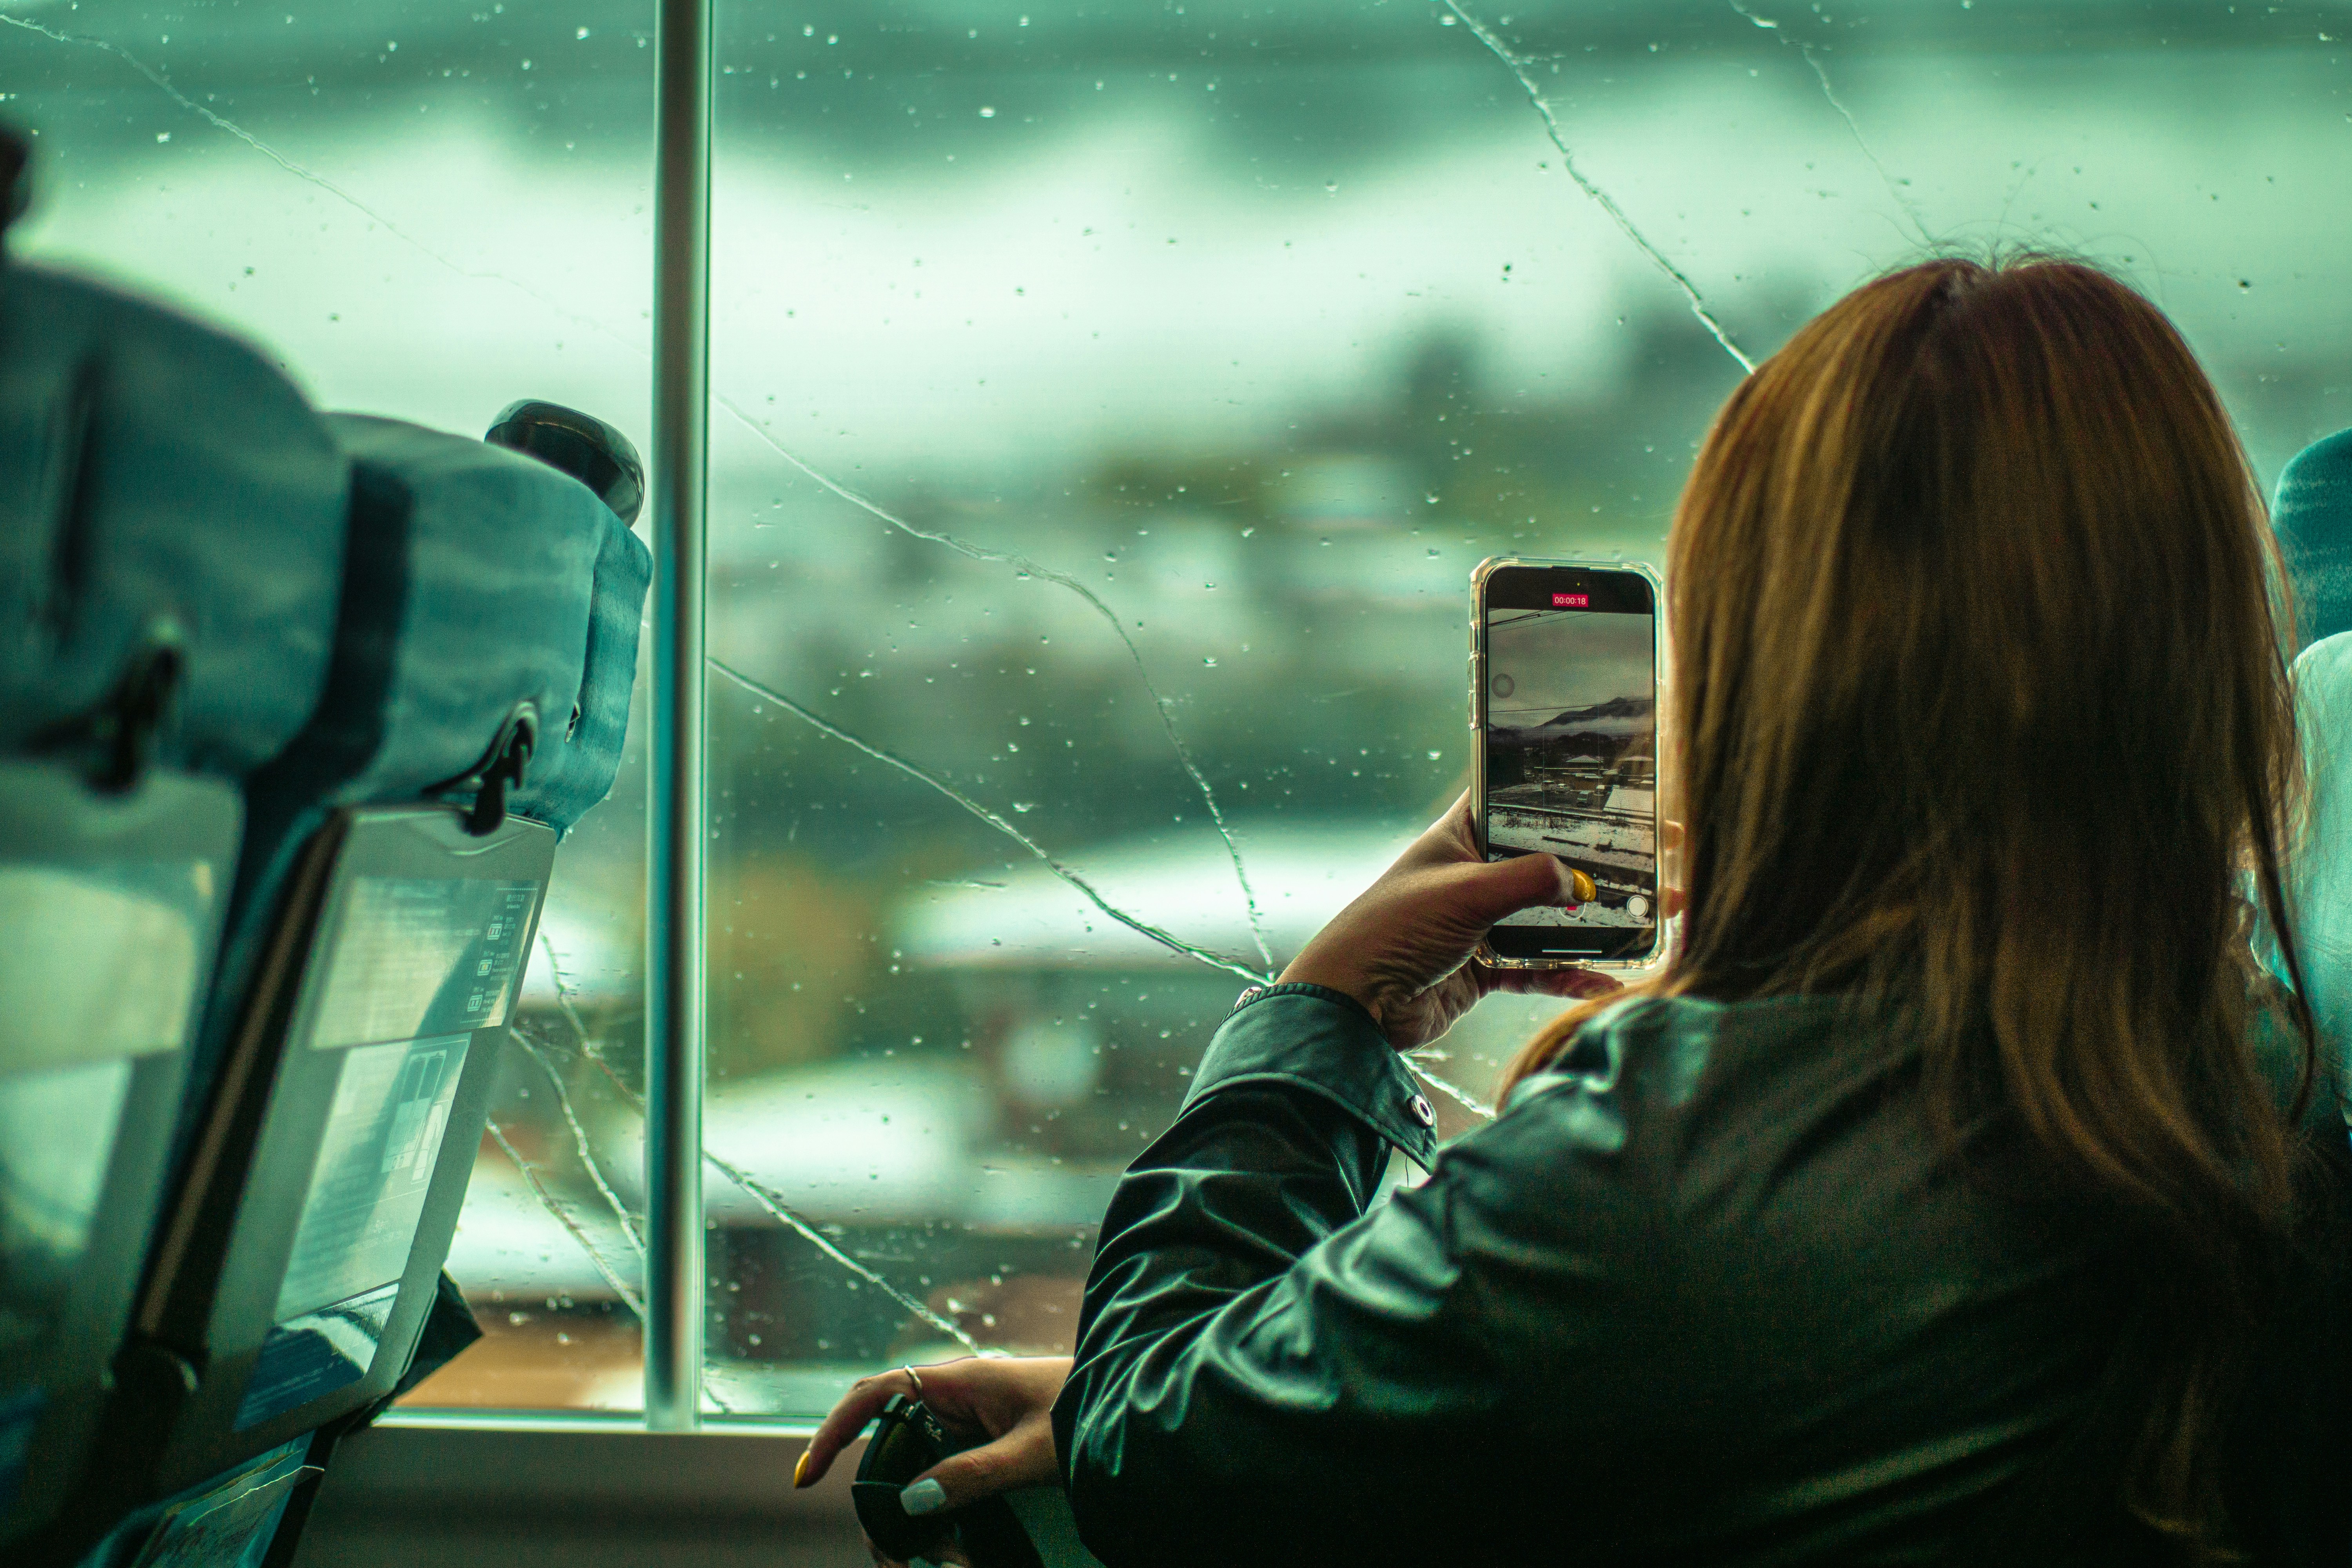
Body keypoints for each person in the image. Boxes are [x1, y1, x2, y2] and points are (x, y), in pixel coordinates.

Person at [793, 256, 2352, 1566]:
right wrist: (1334, 1379)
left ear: (1769, 676)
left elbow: (1156, 1457)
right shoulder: (2277, 1098)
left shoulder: (1668, 1157)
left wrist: (1322, 1016)